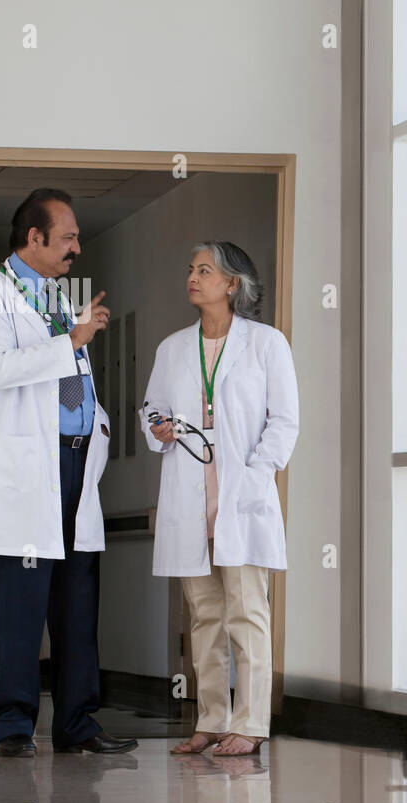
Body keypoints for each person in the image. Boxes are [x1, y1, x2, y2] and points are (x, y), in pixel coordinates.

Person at [0, 187, 137, 757]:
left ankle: (77, 725)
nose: (77, 248)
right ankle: (13, 726)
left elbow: (70, 375)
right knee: (19, 605)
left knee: (76, 602)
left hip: (74, 461)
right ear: (33, 238)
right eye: (67, 237)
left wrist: (97, 423)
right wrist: (73, 341)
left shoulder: (58, 296)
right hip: (28, 468)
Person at [143, 241, 299, 756]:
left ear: (232, 284)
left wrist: (259, 472)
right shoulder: (172, 349)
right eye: (191, 269)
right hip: (192, 494)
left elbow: (283, 420)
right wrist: (160, 429)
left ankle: (251, 724)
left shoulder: (266, 344)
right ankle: (211, 719)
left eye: (204, 270)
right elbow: (151, 410)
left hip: (241, 495)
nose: (193, 277)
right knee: (203, 616)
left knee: (247, 611)